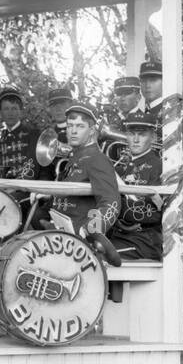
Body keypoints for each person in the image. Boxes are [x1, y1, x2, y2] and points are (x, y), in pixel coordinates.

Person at [45, 102, 123, 267]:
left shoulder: (97, 159)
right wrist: (47, 192)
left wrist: (88, 230)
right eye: (70, 126)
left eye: (80, 126)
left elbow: (111, 203)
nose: (73, 131)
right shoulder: (75, 158)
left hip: (79, 246)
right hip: (63, 238)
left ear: (92, 131)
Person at [108, 113, 165, 260]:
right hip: (120, 236)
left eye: (142, 134)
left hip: (144, 241)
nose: (136, 139)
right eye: (131, 134)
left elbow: (155, 214)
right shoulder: (123, 167)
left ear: (153, 138)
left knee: (93, 255)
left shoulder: (159, 167)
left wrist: (117, 207)